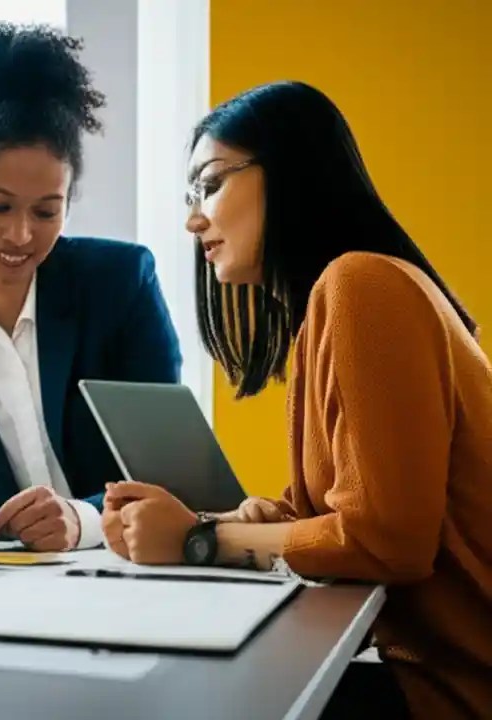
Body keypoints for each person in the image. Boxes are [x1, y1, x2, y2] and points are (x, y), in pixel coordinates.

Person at [102, 81, 492, 719]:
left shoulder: (362, 284)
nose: (193, 218)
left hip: (456, 694)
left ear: (287, 170)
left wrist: (204, 539)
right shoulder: (332, 308)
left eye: (210, 184)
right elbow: (361, 510)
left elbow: (389, 541)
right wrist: (260, 520)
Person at [0, 23, 182, 553]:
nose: (21, 235)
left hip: (132, 569)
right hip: (11, 572)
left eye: (47, 211)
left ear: (68, 200)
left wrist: (82, 519)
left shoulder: (120, 283)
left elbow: (170, 474)